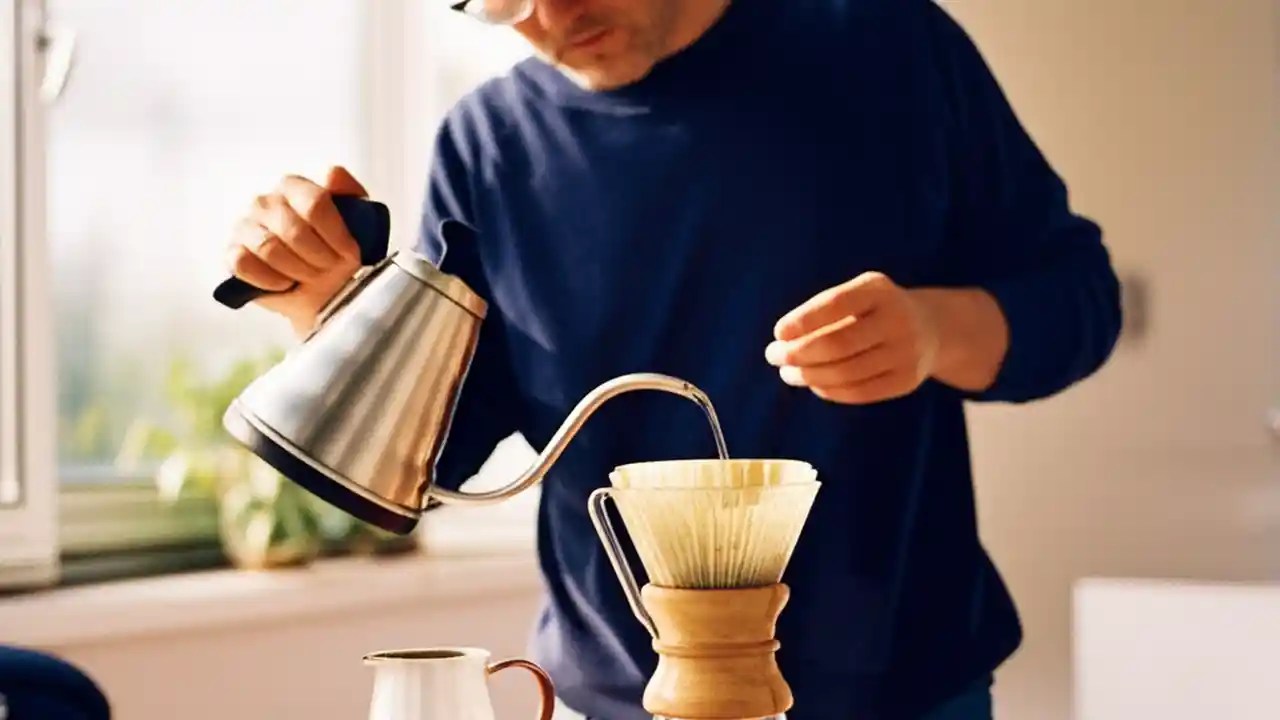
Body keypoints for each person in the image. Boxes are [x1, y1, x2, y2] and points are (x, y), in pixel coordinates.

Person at [224, 0, 1122, 717]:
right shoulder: (489, 147)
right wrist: (326, 310)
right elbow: (440, 455)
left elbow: (1079, 299)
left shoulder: (891, 46)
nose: (549, 15)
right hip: (621, 698)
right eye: (499, 1)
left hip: (906, 690)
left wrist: (935, 331)